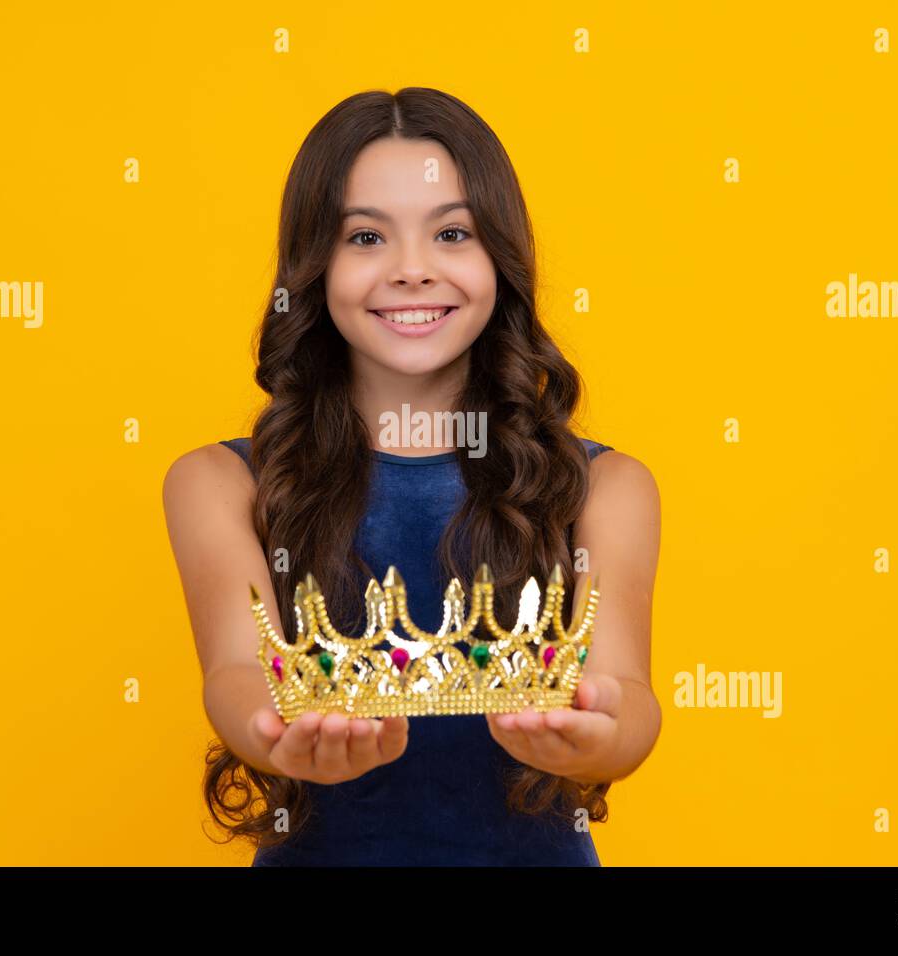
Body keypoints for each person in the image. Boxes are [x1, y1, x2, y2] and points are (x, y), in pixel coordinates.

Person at [163, 87, 662, 865]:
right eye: (366, 237)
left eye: (452, 232)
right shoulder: (218, 484)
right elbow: (234, 669)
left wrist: (598, 731)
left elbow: (630, 699)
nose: (411, 271)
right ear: (314, 265)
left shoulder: (608, 489)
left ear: (501, 256)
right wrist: (277, 732)